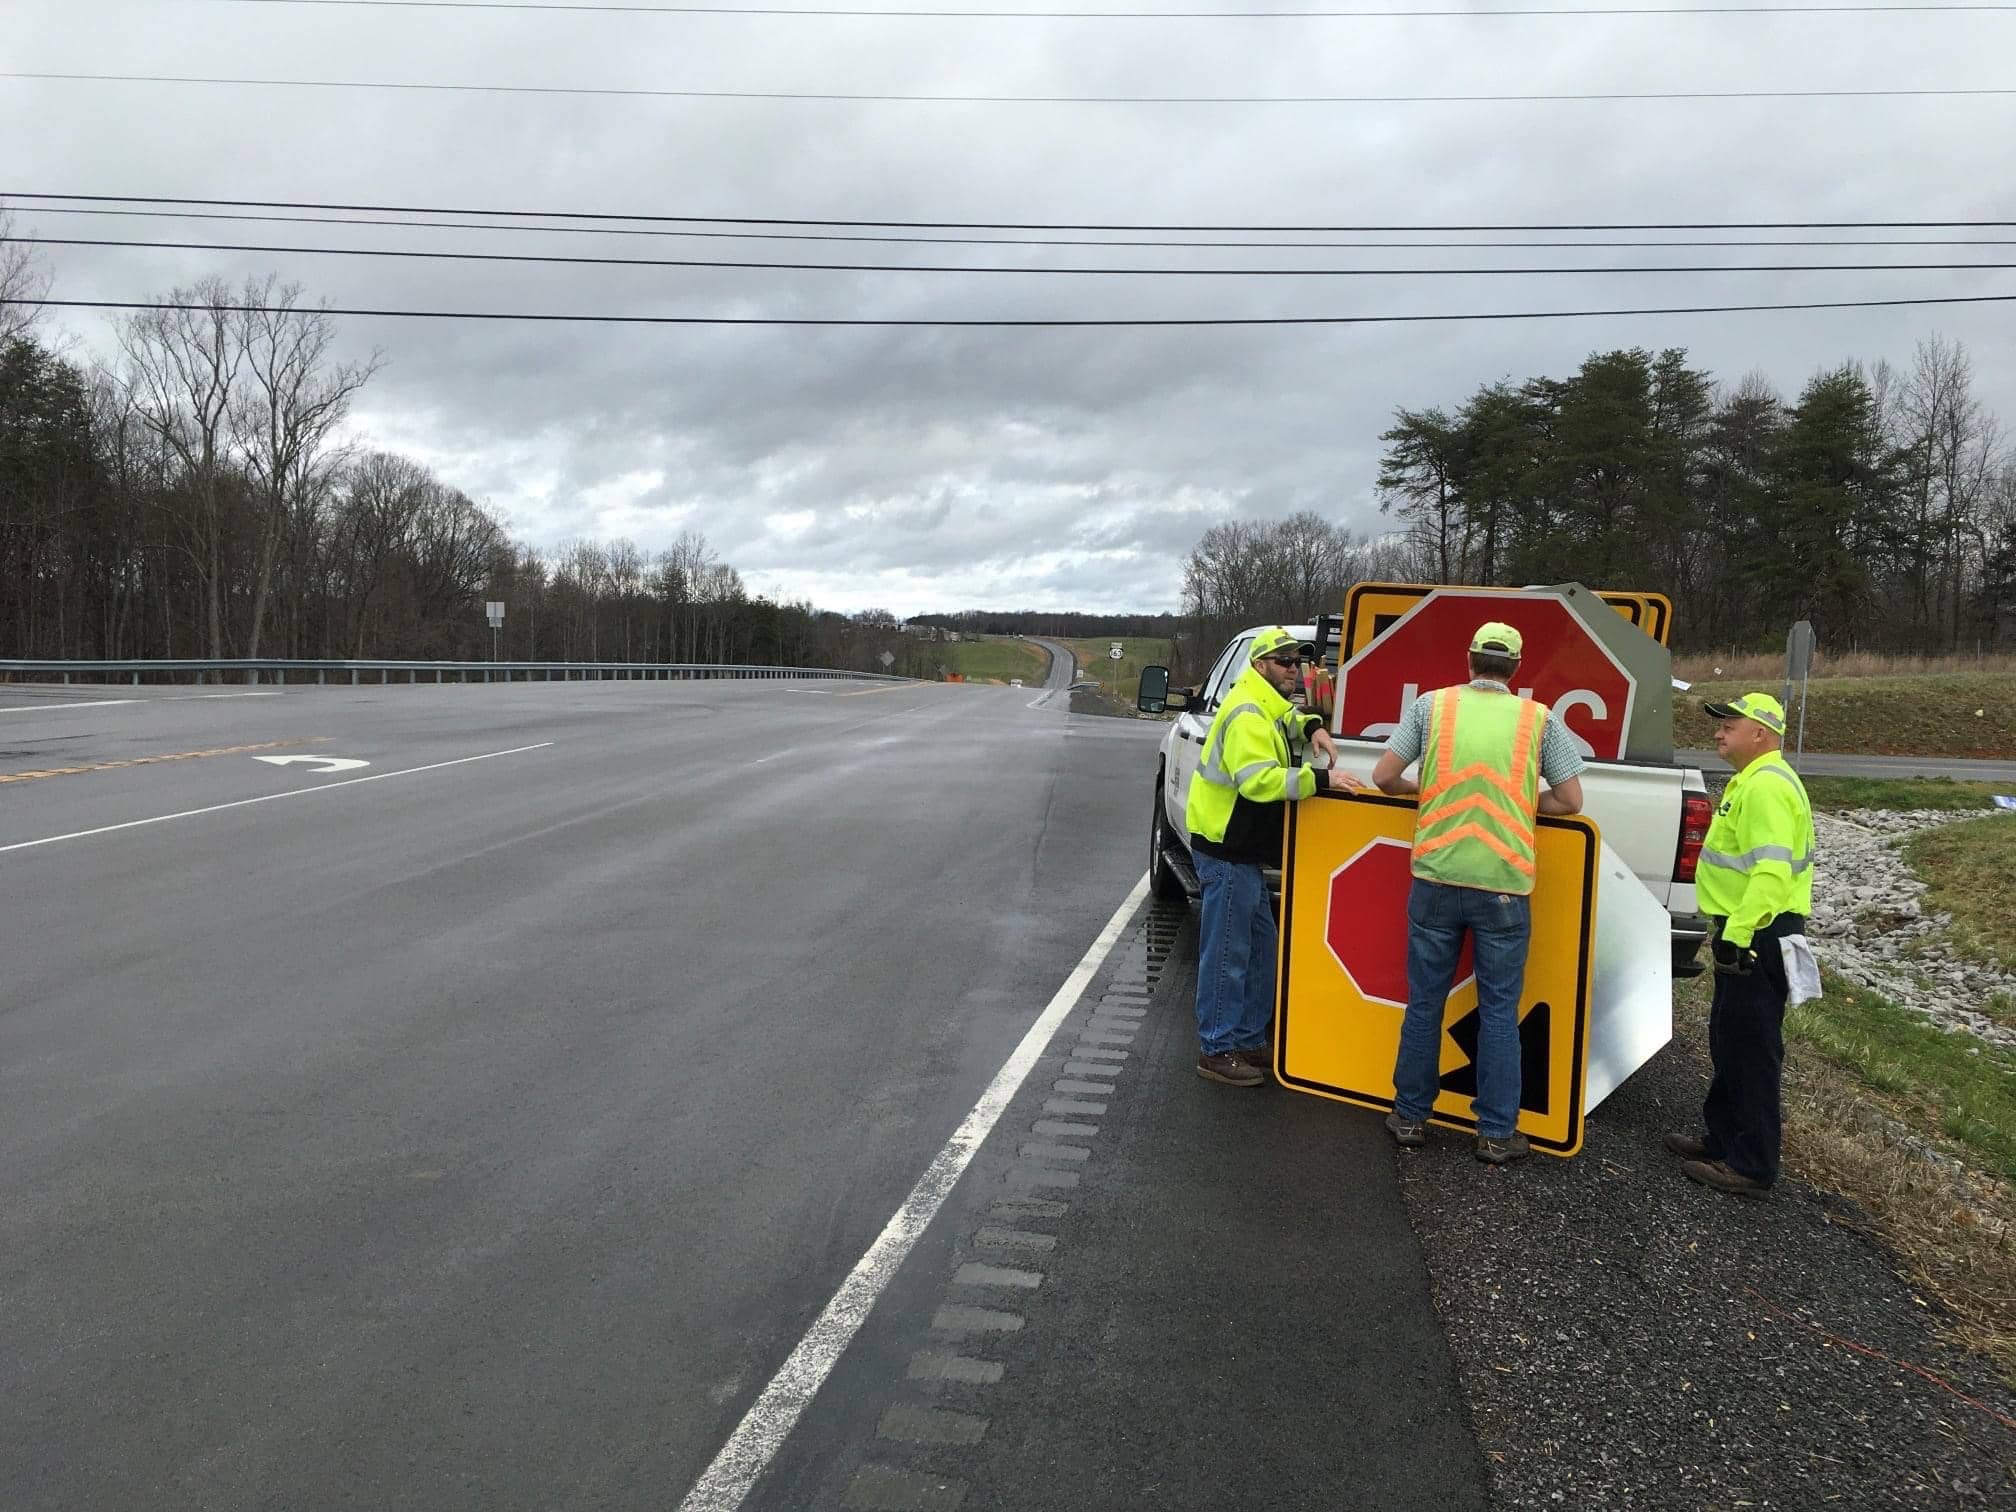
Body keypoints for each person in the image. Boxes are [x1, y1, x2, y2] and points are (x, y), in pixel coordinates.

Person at [1371, 622, 1586, 1163]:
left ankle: (1411, 1117)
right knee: (1497, 1010)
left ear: (1469, 660)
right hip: (1504, 888)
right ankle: (1495, 1133)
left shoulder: (1431, 708)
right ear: (1516, 668)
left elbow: (1383, 777)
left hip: (1437, 878)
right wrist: (1515, 801)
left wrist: (1427, 789)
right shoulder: (1538, 719)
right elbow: (1571, 799)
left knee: (1424, 1003)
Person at [1187, 627, 1361, 1086]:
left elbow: (1288, 716)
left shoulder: (1264, 700)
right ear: (1260, 665)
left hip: (1244, 852)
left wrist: (1314, 726)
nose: (1292, 670)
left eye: (1296, 662)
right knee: (1228, 953)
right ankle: (1216, 1048)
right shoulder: (1247, 713)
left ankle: (1246, 1038)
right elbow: (1259, 783)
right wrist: (1320, 781)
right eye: (1283, 662)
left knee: (1262, 948)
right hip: (1227, 848)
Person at [1665, 692, 1817, 1198]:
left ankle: (1752, 1165)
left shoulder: (1768, 787)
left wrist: (1736, 935)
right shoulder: (1750, 781)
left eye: (1730, 725)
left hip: (1758, 933)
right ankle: (1723, 1138)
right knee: (1729, 1037)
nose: (1718, 732)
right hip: (1746, 928)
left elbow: (1771, 874)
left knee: (1752, 1048)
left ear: (1761, 733)